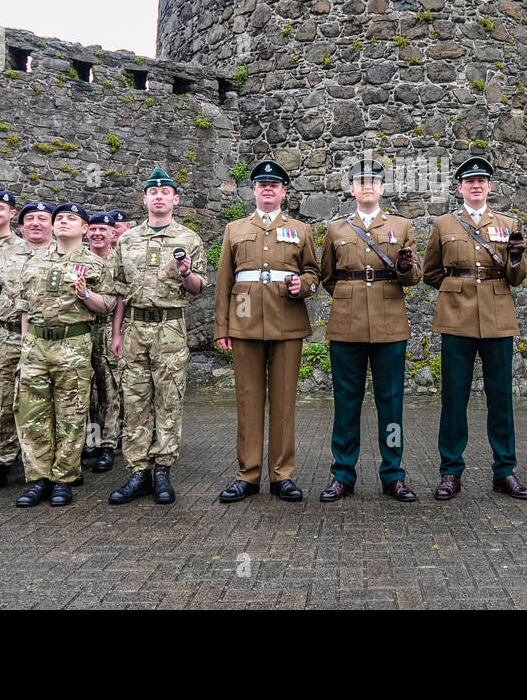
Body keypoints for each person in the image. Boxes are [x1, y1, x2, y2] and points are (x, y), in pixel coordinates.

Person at [422, 156, 527, 500]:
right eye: (470, 181)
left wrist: (515, 258)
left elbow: (517, 278)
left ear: (490, 187)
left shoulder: (507, 222)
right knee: (454, 398)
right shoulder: (443, 224)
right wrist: (458, 287)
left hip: (498, 315)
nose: (476, 185)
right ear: (460, 188)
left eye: (482, 180)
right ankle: (450, 471)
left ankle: (505, 471)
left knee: (501, 398)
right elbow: (430, 272)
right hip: (456, 317)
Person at [316, 160, 420, 502]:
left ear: (383, 188)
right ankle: (343, 474)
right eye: (360, 182)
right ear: (351, 189)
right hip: (346, 325)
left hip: (390, 323)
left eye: (373, 181)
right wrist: (351, 298)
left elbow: (414, 276)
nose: (367, 187)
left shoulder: (402, 225)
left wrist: (404, 269)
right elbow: (328, 277)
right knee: (347, 402)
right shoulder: (336, 230)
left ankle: (393, 474)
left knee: (390, 404)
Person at [214, 160, 317, 503]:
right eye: (262, 184)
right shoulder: (235, 229)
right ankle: (248, 474)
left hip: (286, 321)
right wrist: (222, 327)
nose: (268, 188)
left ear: (284, 191)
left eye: (275, 184)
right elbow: (224, 283)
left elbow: (313, 274)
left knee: (284, 401)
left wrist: (301, 284)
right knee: (248, 400)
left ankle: (282, 475)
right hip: (244, 323)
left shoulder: (301, 230)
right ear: (254, 191)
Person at [108, 169, 206, 505]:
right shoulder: (127, 240)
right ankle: (138, 472)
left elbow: (196, 290)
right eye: (154, 192)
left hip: (169, 328)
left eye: (166, 192)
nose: (160, 196)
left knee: (169, 400)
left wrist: (186, 272)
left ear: (175, 199)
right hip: (134, 328)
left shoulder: (189, 239)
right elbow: (119, 291)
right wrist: (116, 333)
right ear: (146, 199)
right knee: (134, 401)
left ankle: (163, 470)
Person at [13, 202, 113, 507]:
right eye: (60, 219)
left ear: (84, 228)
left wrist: (84, 293)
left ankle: (63, 478)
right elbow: (24, 307)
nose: (64, 222)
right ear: (53, 228)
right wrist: (24, 342)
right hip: (36, 344)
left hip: (72, 343)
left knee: (71, 415)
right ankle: (38, 478)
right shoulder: (33, 260)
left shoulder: (95, 264)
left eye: (72, 218)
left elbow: (106, 305)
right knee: (32, 413)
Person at [0, 200, 53, 494]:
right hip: (8, 337)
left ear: (52, 225)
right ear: (20, 225)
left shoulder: (62, 255)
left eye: (43, 219)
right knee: (2, 399)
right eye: (30, 219)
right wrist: (15, 317)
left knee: (46, 402)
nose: (36, 223)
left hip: (48, 338)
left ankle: (45, 465)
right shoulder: (2, 255)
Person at [85, 212, 122, 471]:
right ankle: (91, 440)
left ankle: (108, 444)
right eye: (94, 229)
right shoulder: (79, 259)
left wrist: (118, 333)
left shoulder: (117, 262)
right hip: (83, 331)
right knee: (86, 392)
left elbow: (120, 298)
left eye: (103, 229)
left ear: (112, 234)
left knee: (109, 389)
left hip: (109, 329)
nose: (98, 234)